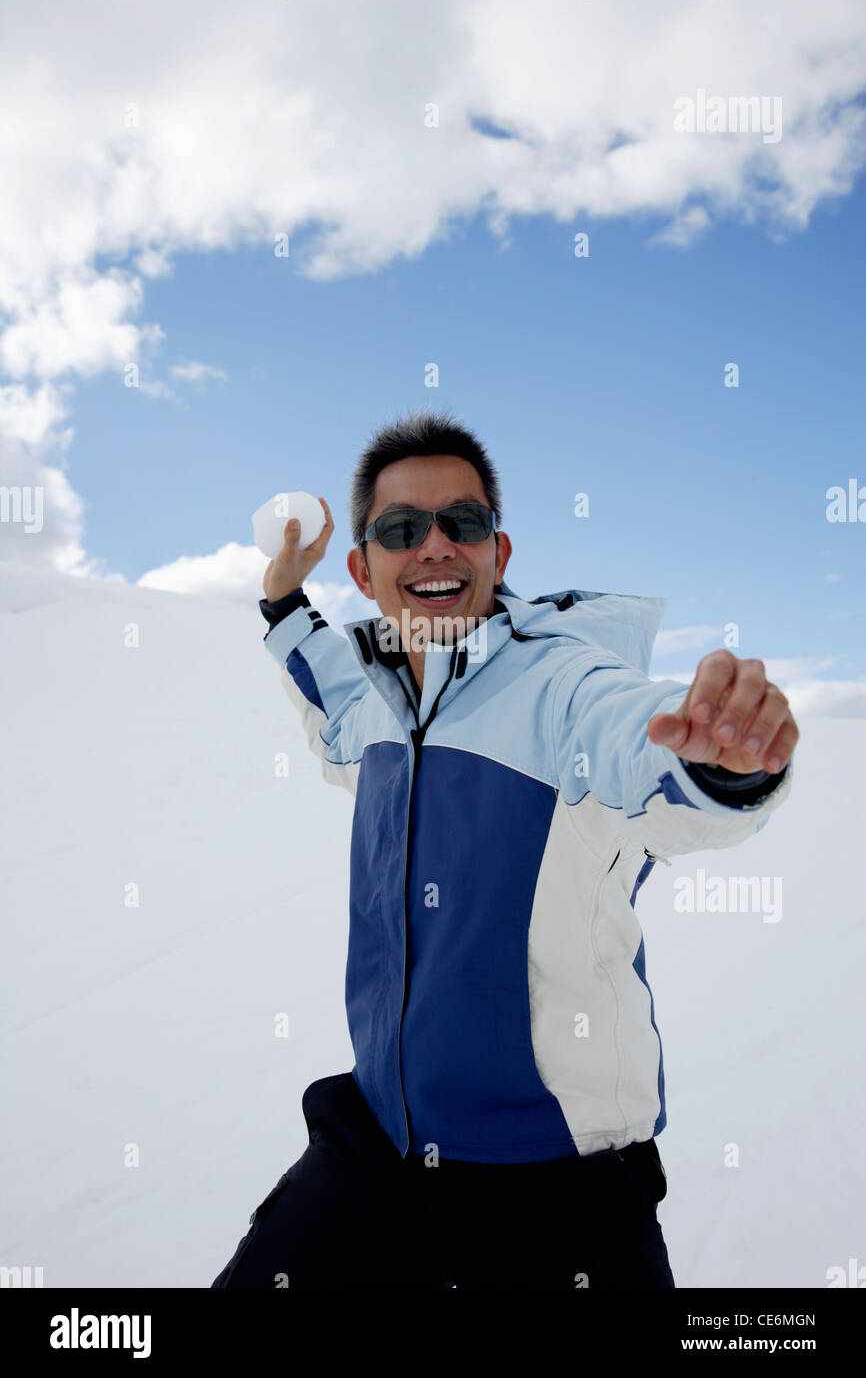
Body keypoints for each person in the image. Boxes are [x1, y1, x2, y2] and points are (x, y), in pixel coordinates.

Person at [211, 410, 796, 1288]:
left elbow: (640, 751)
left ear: (500, 553)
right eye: (403, 530)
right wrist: (282, 600)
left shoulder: (563, 686)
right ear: (365, 572)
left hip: (554, 1177)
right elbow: (325, 692)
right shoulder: (374, 701)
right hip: (376, 1142)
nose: (437, 546)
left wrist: (720, 765)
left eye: (465, 523)